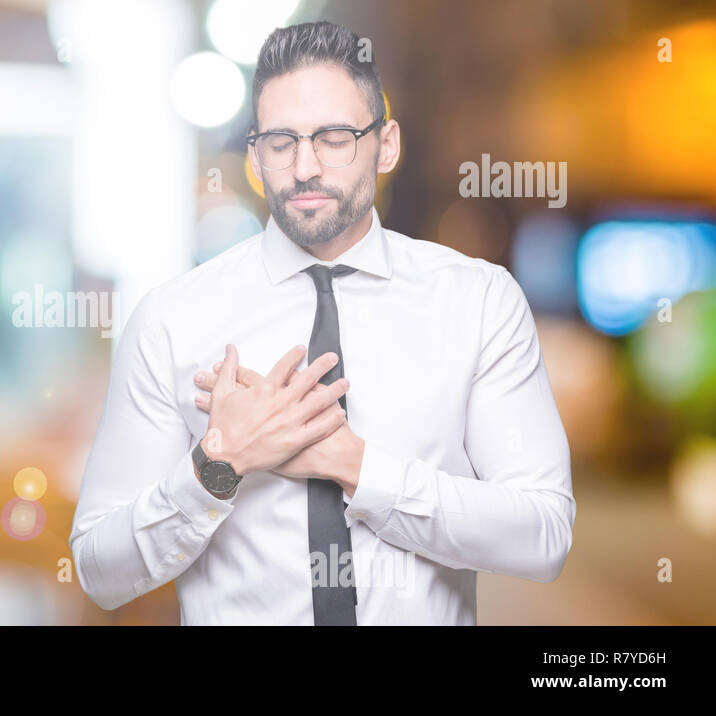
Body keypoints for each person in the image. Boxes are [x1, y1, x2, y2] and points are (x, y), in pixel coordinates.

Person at [69, 20, 575, 625]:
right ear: (255, 153)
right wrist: (218, 464)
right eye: (281, 141)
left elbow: (544, 537)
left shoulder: (478, 302)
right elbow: (100, 573)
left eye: (334, 137)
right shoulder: (170, 320)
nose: (305, 167)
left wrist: (351, 464)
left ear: (385, 144)